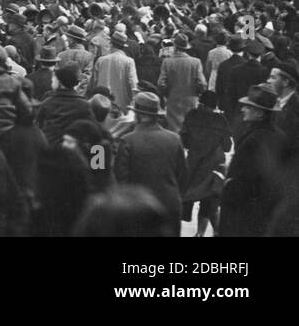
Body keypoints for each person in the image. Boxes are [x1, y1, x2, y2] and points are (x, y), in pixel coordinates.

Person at [113, 92, 187, 233]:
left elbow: (121, 180)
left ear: (137, 115)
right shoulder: (175, 139)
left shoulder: (128, 141)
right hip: (170, 205)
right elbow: (183, 176)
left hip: (139, 209)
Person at [219, 85, 283, 236]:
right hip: (267, 215)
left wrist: (228, 175)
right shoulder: (279, 136)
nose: (243, 109)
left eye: (248, 107)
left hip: (244, 217)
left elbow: (240, 184)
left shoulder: (253, 140)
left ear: (260, 113)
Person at [178, 90, 231, 237]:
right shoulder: (221, 119)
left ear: (201, 103)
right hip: (214, 165)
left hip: (194, 163)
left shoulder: (192, 115)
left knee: (191, 195)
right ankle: (205, 233)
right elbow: (227, 146)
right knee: (209, 201)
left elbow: (184, 140)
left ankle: (204, 234)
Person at [157, 33, 206, 132]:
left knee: (174, 129)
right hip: (191, 100)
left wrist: (167, 94)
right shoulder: (196, 62)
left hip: (173, 99)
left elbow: (161, 83)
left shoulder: (167, 62)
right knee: (190, 129)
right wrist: (197, 93)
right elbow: (202, 84)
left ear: (175, 46)